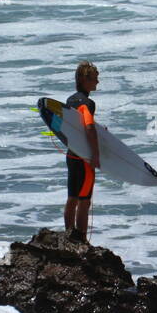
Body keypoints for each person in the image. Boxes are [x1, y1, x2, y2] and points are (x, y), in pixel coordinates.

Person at [63, 61, 102, 242]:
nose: (97, 82)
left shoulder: (70, 100)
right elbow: (88, 127)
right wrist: (95, 154)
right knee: (84, 201)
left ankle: (69, 236)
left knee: (71, 198)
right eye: (95, 79)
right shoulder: (88, 103)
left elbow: (72, 127)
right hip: (85, 159)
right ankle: (82, 241)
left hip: (71, 154)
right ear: (84, 80)